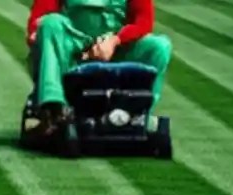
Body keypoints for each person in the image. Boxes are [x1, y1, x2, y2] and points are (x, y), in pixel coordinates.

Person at [24, 0, 173, 136]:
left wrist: (115, 41)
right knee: (50, 23)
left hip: (117, 48)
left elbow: (144, 22)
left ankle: (139, 113)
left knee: (160, 46)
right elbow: (38, 19)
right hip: (73, 50)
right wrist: (36, 33)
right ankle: (55, 109)